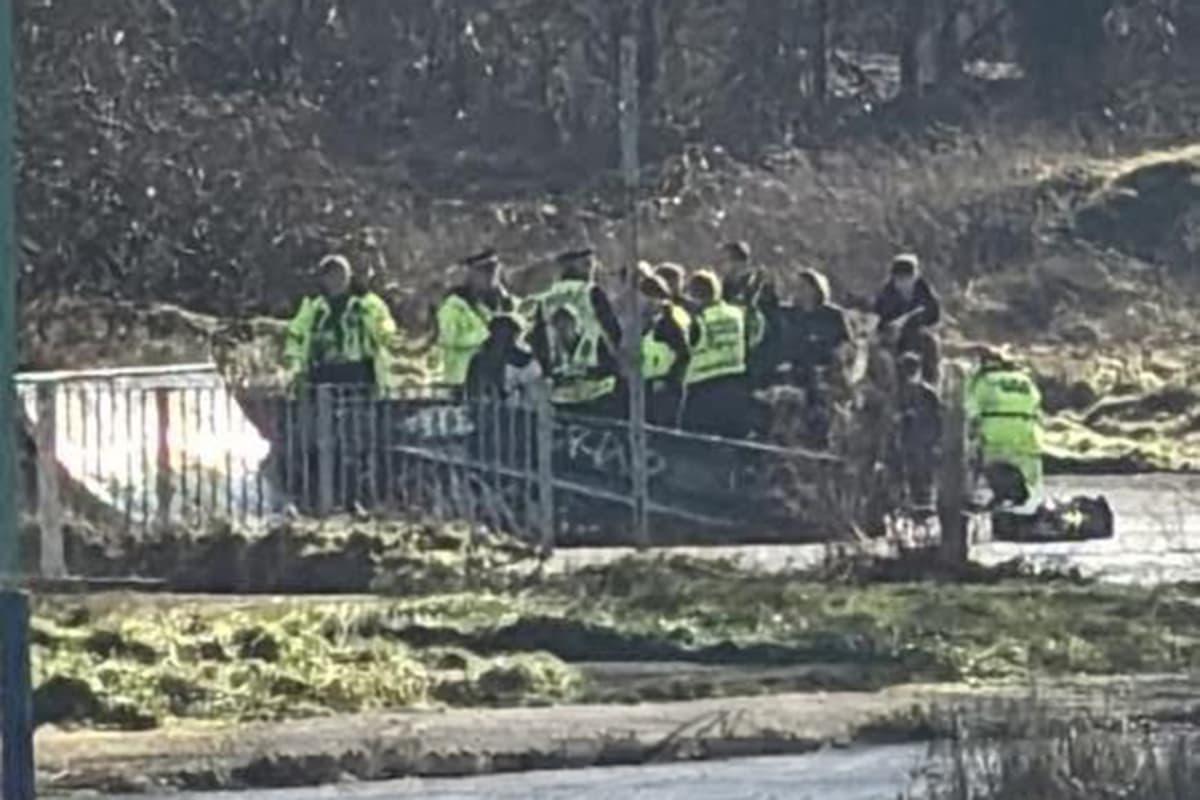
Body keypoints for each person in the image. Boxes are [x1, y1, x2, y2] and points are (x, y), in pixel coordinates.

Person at [284, 253, 398, 394]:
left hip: (359, 371)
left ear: (349, 276)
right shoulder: (313, 308)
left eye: (340, 274)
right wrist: (296, 367)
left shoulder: (367, 304)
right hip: (323, 371)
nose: (335, 280)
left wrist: (386, 337)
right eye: (330, 275)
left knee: (358, 412)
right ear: (323, 280)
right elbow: (295, 335)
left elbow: (387, 328)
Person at [528, 247, 622, 416]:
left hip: (562, 386)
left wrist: (548, 371)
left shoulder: (546, 299)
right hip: (597, 382)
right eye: (587, 264)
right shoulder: (590, 291)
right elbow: (612, 332)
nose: (591, 269)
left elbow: (538, 340)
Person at [964, 346, 1043, 515]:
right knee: (1023, 469)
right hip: (1028, 434)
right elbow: (1036, 404)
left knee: (984, 462)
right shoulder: (1025, 379)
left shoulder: (983, 380)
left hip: (996, 431)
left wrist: (972, 432)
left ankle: (999, 496)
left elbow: (971, 408)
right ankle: (1021, 498)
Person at [781, 268, 853, 448]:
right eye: (796, 287)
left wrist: (835, 368)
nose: (798, 291)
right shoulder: (789, 314)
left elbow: (845, 346)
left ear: (816, 289)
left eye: (803, 287)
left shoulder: (833, 316)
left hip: (826, 372)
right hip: (795, 371)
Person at [681, 269, 750, 438]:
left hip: (703, 389)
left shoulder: (698, 320)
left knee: (698, 444)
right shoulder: (736, 314)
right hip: (735, 383)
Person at [436, 249, 517, 390]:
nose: (491, 277)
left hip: (498, 381)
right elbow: (449, 338)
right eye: (485, 271)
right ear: (472, 274)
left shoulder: (501, 303)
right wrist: (486, 335)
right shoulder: (454, 305)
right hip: (462, 380)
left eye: (494, 272)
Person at [873, 253, 942, 385]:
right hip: (893, 338)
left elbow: (935, 315)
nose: (903, 282)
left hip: (918, 333)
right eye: (899, 278)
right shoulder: (886, 294)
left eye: (907, 278)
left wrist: (920, 322)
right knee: (881, 355)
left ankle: (931, 384)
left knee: (931, 343)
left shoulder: (924, 290)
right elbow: (878, 319)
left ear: (915, 277)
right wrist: (889, 329)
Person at [639, 270, 691, 427]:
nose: (645, 302)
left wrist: (667, 380)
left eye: (650, 297)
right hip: (647, 386)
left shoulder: (669, 324)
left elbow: (684, 355)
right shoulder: (643, 323)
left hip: (665, 388)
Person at [895, 351, 943, 512]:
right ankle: (915, 502)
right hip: (910, 438)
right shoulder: (903, 392)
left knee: (923, 472)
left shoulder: (927, 393)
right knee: (911, 472)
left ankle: (924, 502)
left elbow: (938, 417)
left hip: (921, 438)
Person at [464, 315, 542, 404]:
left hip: (482, 412)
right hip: (510, 413)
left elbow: (471, 395)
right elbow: (532, 400)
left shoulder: (477, 359)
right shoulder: (526, 363)